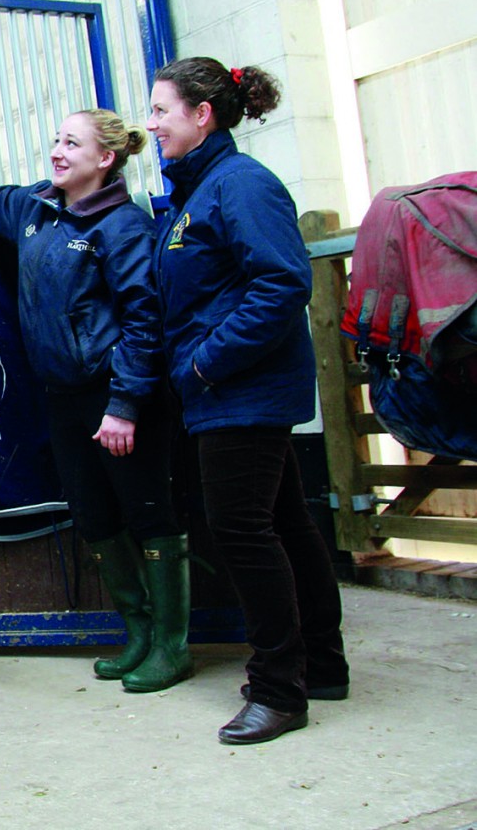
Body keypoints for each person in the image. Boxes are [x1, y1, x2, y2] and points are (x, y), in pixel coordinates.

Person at [0, 108, 191, 693]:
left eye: (72, 144)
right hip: (61, 395)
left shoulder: (122, 228)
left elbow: (144, 322)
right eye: (56, 139)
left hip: (112, 395)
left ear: (104, 159)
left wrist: (124, 405)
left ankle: (172, 648)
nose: (57, 150)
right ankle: (140, 633)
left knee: (149, 513)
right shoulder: (34, 206)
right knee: (94, 516)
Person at [147, 56, 348, 745]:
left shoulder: (241, 186)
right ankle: (321, 663)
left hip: (242, 391)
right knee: (287, 524)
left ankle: (279, 689)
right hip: (229, 392)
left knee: (242, 531)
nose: (152, 124)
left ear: (202, 115)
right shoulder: (201, 191)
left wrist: (205, 363)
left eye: (161, 110)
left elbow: (283, 284)